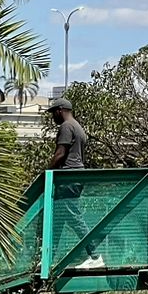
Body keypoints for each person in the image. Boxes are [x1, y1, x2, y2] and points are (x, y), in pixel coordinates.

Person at [46, 97, 100, 269]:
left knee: (74, 217)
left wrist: (46, 174)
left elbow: (60, 154)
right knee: (59, 219)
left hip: (68, 177)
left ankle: (95, 255)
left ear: (60, 110)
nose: (52, 117)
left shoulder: (66, 127)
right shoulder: (77, 126)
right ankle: (47, 258)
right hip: (75, 176)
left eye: (53, 112)